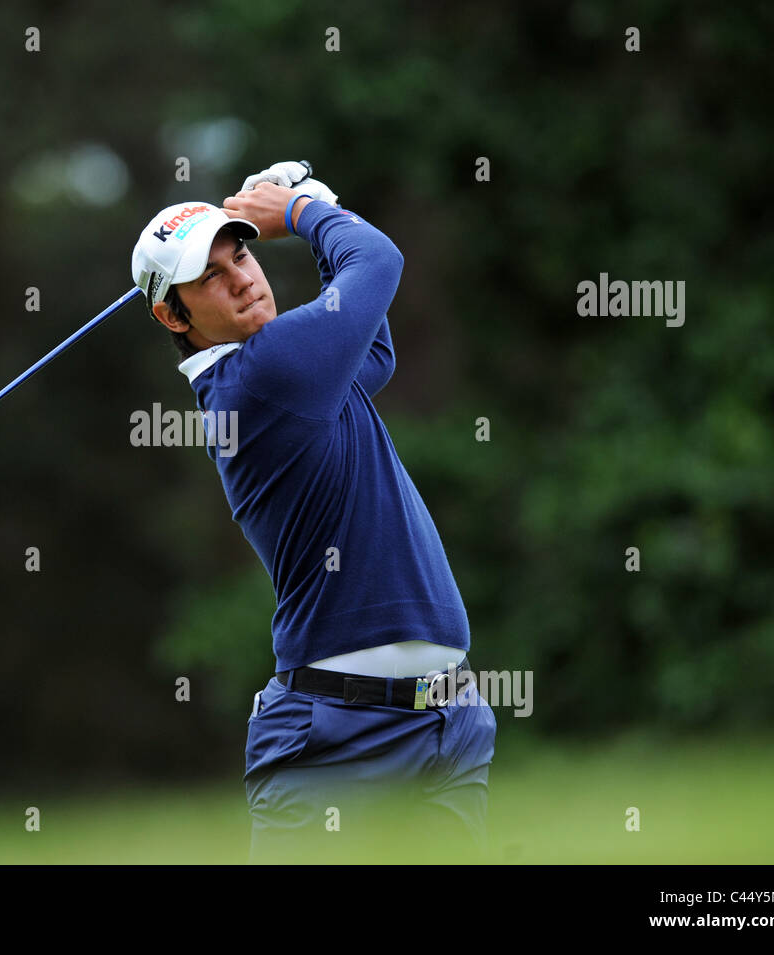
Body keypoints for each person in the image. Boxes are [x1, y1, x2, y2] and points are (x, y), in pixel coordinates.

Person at [130, 162, 497, 862]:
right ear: (172, 315)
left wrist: (322, 207)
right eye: (210, 276)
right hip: (335, 738)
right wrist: (300, 211)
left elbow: (374, 344)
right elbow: (379, 260)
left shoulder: (297, 372)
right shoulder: (259, 378)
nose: (242, 276)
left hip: (445, 720)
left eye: (241, 253)